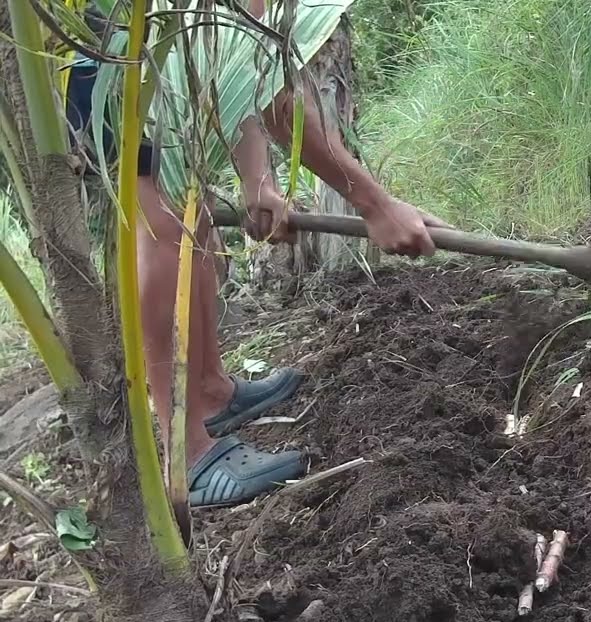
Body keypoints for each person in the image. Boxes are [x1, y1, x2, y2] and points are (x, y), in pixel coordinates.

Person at [62, 0, 450, 508]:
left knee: (188, 214)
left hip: (165, 54)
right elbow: (274, 96)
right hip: (122, 54)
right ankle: (189, 455)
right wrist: (374, 204)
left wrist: (258, 179)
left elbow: (236, 59)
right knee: (163, 223)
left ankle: (210, 392)